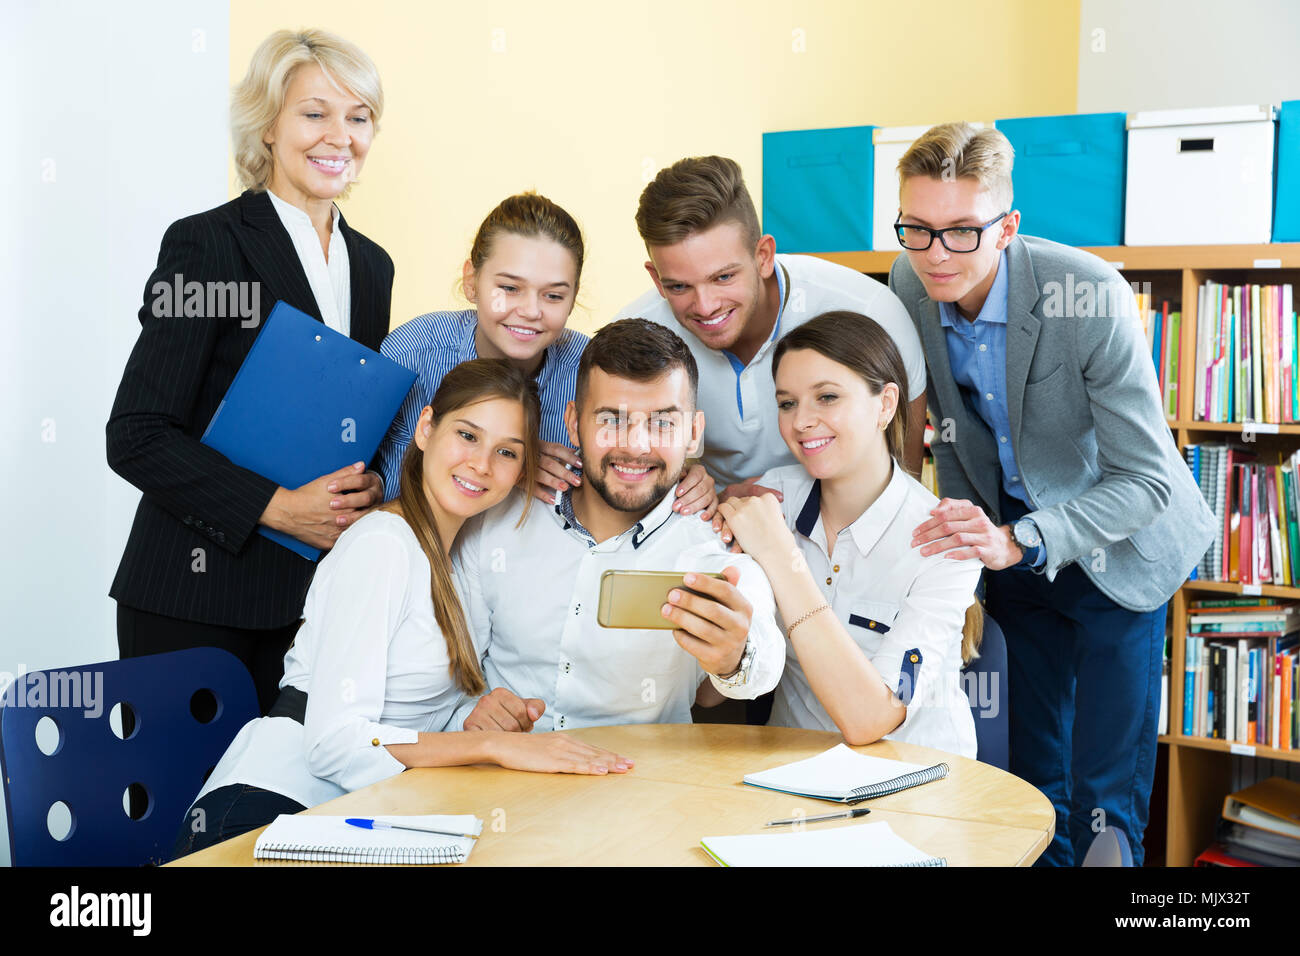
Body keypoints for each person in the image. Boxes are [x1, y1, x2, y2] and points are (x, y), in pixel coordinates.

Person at [888, 122, 1216, 865]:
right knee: (1034, 778)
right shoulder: (908, 281)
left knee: (1104, 795)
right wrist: (983, 553)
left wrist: (1020, 539)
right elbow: (953, 426)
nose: (936, 254)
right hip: (1015, 560)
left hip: (1119, 550)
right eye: (917, 229)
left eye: (963, 233)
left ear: (1008, 227)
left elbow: (1149, 478)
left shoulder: (1086, 292)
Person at [171, 360, 633, 859]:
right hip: (268, 812)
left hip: (365, 817)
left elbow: (411, 712)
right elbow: (335, 745)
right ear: (426, 427)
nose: (481, 464)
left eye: (506, 452)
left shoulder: (463, 558)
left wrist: (473, 719)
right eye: (467, 435)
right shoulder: (382, 545)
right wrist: (492, 747)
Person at [106, 29, 394, 713]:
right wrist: (279, 509)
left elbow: (343, 418)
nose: (340, 136)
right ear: (267, 126)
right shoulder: (208, 245)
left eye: (359, 118)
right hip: (195, 598)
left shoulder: (373, 265)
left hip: (314, 603)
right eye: (314, 112)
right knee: (187, 817)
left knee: (288, 813)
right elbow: (137, 433)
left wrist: (367, 481)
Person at [445, 319, 785, 734]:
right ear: (573, 423)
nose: (636, 446)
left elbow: (762, 662)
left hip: (642, 785)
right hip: (502, 776)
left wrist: (735, 658)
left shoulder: (715, 543)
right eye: (612, 420)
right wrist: (471, 714)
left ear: (693, 433)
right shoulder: (496, 520)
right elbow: (449, 671)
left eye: (662, 422)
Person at [711, 312, 982, 756]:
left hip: (918, 790)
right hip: (792, 778)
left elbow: (872, 718)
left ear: (886, 404)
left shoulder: (945, 540)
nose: (801, 421)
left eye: (827, 397)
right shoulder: (768, 499)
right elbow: (718, 681)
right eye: (787, 403)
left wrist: (781, 557)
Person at [373, 193, 719, 518]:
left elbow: (634, 458)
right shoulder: (414, 352)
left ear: (573, 297)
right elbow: (377, 483)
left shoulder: (592, 370)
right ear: (472, 281)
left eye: (553, 296)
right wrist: (508, 466)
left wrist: (685, 478)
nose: (530, 311)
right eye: (509, 288)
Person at [615, 155, 928, 499]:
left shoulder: (870, 310)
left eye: (723, 277)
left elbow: (904, 482)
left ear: (763, 255)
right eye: (678, 287)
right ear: (656, 279)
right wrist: (716, 502)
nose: (705, 306)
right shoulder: (634, 340)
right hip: (712, 527)